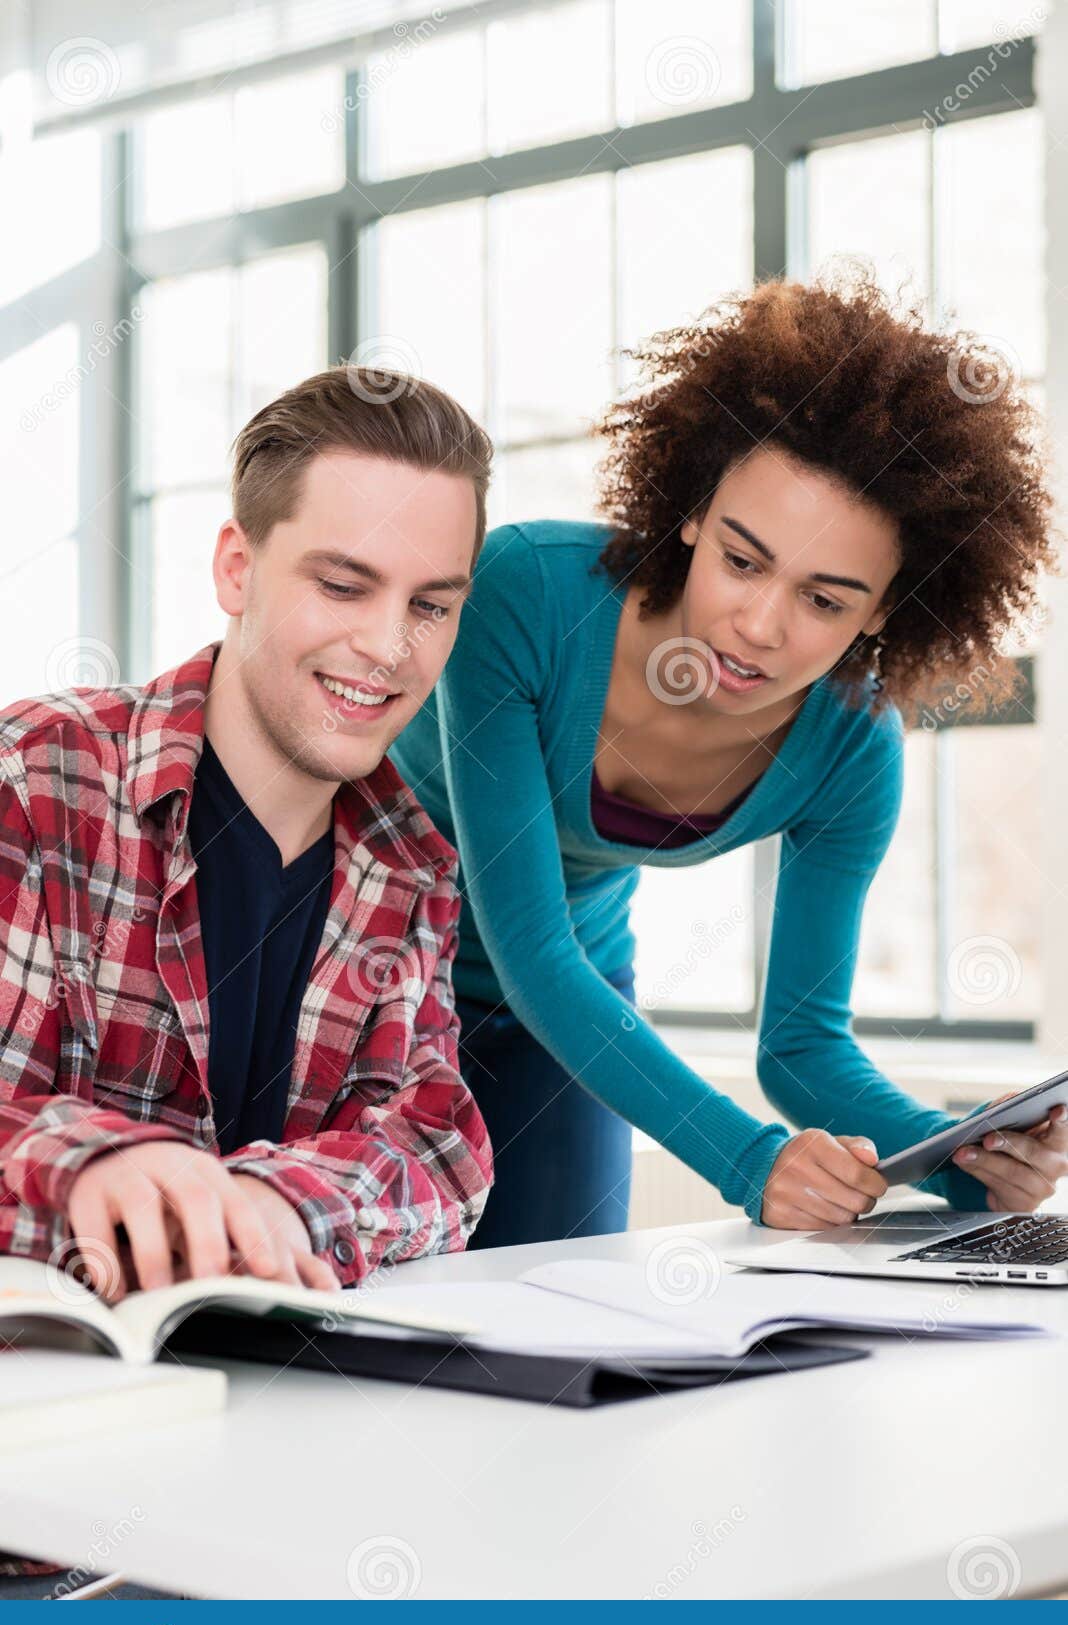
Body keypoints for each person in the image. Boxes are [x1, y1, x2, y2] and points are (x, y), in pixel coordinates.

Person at [392, 275, 1068, 1248]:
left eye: (825, 600)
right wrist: (752, 1162)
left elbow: (802, 1050)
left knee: (561, 1305)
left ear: (883, 609)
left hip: (568, 1019)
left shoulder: (852, 751)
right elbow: (528, 945)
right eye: (743, 561)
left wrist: (965, 1159)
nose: (759, 625)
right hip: (362, 972)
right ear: (693, 515)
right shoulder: (525, 593)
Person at [0, 364, 493, 1301]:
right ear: (236, 568)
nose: (387, 648)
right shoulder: (36, 778)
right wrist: (86, 1168)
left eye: (430, 606)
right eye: (343, 586)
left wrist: (277, 1203)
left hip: (274, 1379)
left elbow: (436, 1144)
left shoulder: (413, 864)